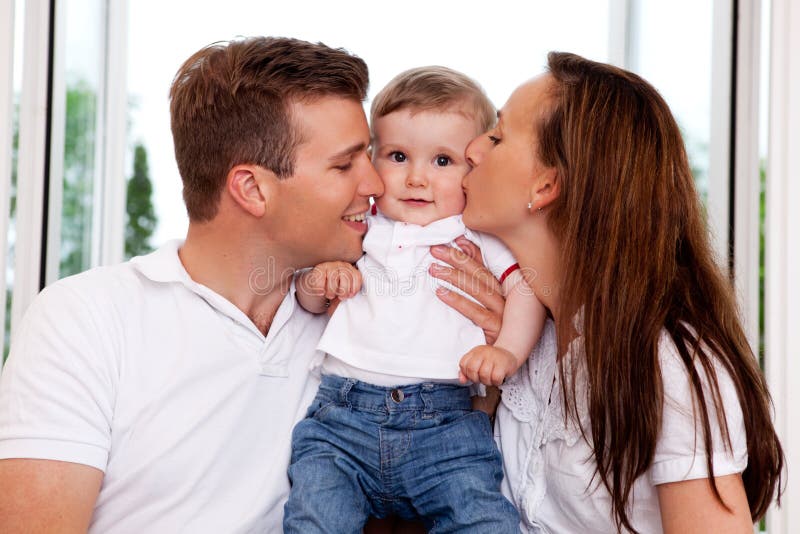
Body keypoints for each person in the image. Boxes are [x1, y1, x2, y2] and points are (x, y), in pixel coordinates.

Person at [0, 36, 387, 532]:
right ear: (251, 189)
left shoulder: (358, 311)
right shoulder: (85, 319)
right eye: (344, 164)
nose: (375, 185)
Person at [455, 51, 785, 533]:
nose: (472, 150)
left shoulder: (666, 364)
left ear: (547, 185)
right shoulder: (527, 341)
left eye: (498, 137)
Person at [283, 66, 545, 533]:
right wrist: (321, 282)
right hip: (342, 422)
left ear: (473, 170)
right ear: (372, 158)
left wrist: (506, 350)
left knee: (483, 519)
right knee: (314, 517)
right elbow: (306, 300)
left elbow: (525, 290)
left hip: (446, 426)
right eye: (398, 156)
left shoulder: (477, 233)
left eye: (442, 161)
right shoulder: (362, 226)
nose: (417, 178)